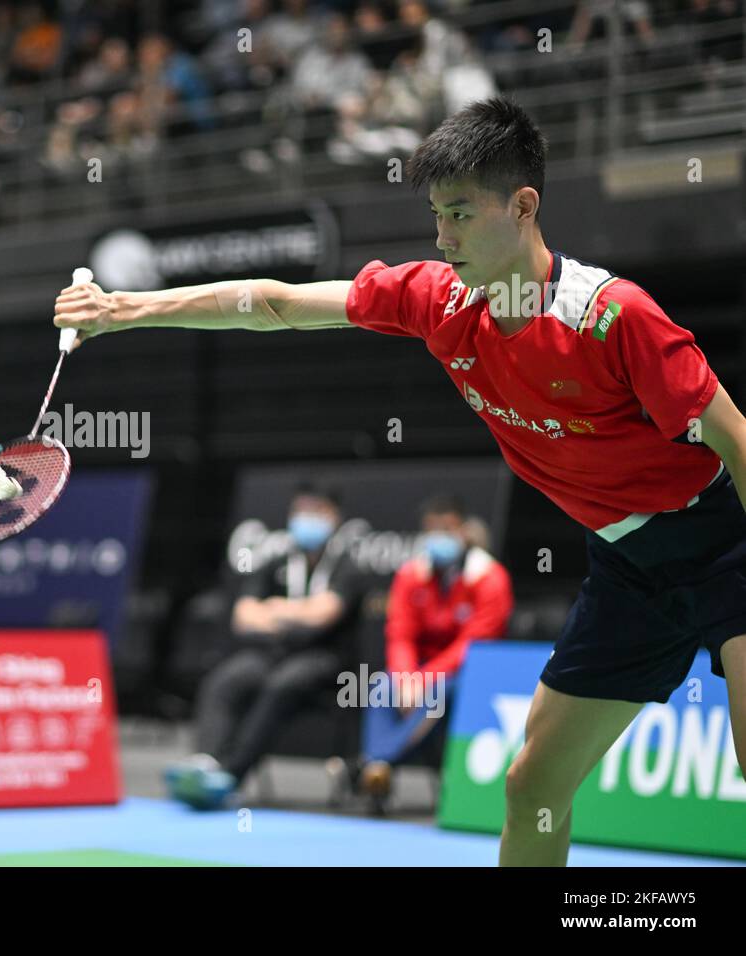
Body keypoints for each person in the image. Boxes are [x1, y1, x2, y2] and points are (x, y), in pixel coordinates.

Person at [52, 96, 746, 866]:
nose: (442, 239)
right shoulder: (436, 300)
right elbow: (276, 305)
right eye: (435, 216)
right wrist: (129, 308)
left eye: (459, 214)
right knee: (531, 786)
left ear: (523, 206)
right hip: (628, 570)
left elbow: (738, 442)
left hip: (726, 546)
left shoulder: (612, 319)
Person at [165, 483, 367, 809]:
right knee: (228, 678)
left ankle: (229, 777)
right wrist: (299, 612)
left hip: (326, 661)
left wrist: (275, 608)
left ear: (333, 517)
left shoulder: (347, 567)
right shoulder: (276, 563)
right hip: (274, 652)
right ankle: (205, 762)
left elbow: (324, 615)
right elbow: (244, 616)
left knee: (283, 684)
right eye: (300, 511)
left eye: (315, 512)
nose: (305, 519)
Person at [356, 494, 513, 808]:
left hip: (466, 672)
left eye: (447, 528)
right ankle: (378, 767)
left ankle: (375, 764)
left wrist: (425, 680)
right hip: (416, 667)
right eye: (432, 530)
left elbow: (473, 644)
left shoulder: (490, 578)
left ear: (463, 531)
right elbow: (400, 633)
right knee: (382, 687)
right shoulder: (411, 574)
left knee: (435, 695)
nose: (439, 536)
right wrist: (404, 677)